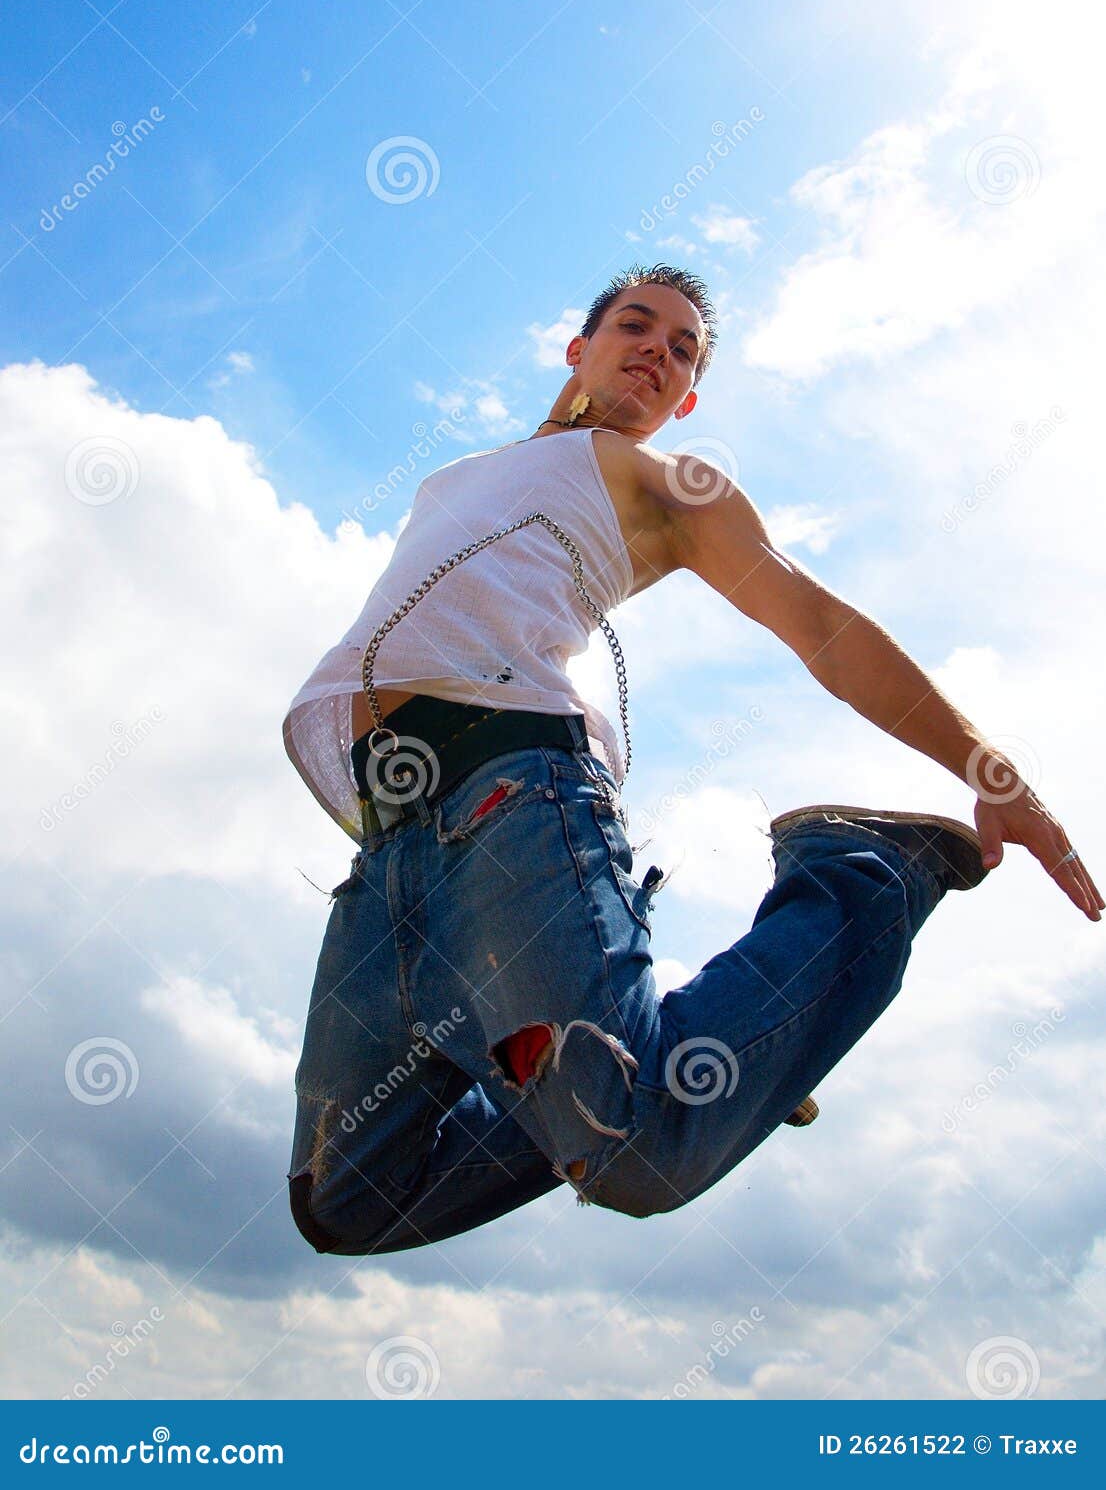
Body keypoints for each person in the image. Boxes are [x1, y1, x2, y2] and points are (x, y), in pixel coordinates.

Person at [282, 263, 1102, 1257]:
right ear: (577, 346)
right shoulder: (456, 477)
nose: (656, 354)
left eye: (680, 352)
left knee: (638, 1152)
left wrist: (985, 767)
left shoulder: (662, 486)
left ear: (686, 401)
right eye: (636, 326)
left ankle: (863, 879)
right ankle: (726, 1064)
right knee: (348, 1199)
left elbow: (820, 625)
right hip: (393, 847)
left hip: (513, 793)